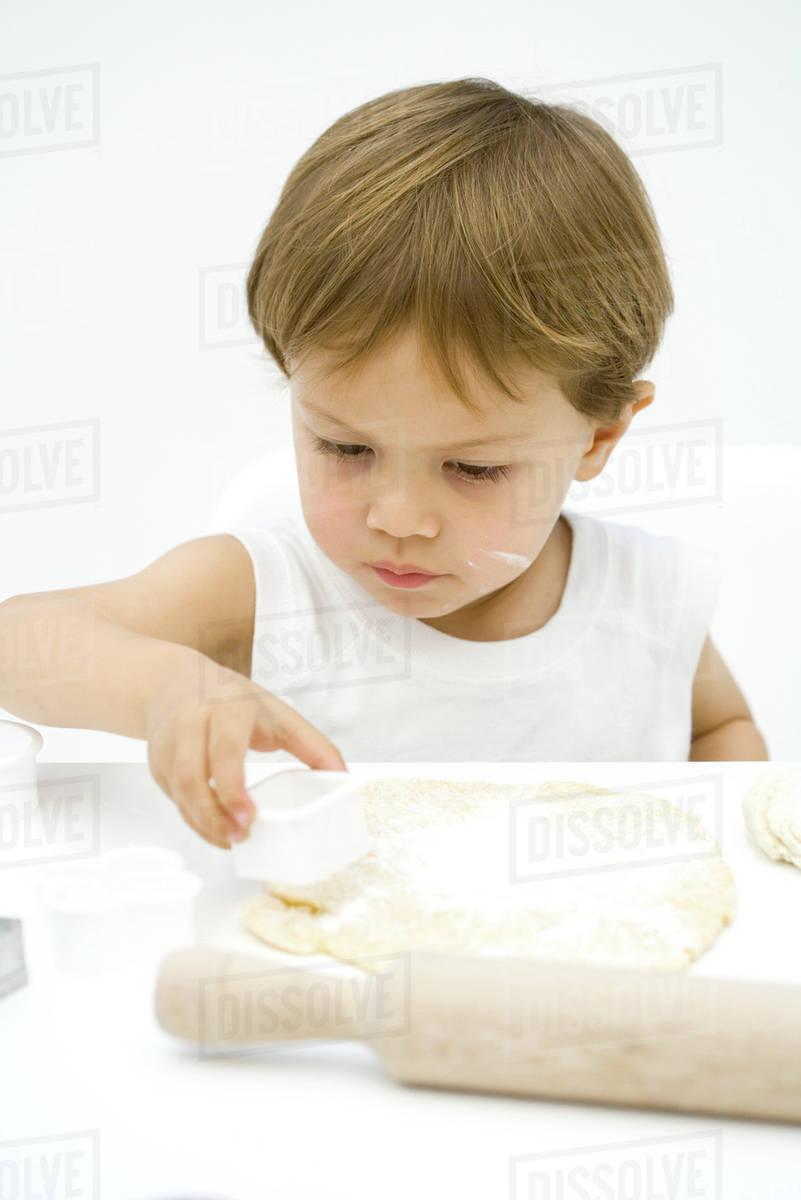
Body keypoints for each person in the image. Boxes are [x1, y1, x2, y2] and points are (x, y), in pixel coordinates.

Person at [0, 78, 768, 851]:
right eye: (346, 448)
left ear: (599, 437)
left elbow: (720, 729)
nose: (397, 518)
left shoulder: (646, 602)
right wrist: (166, 688)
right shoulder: (266, 597)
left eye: (473, 469)